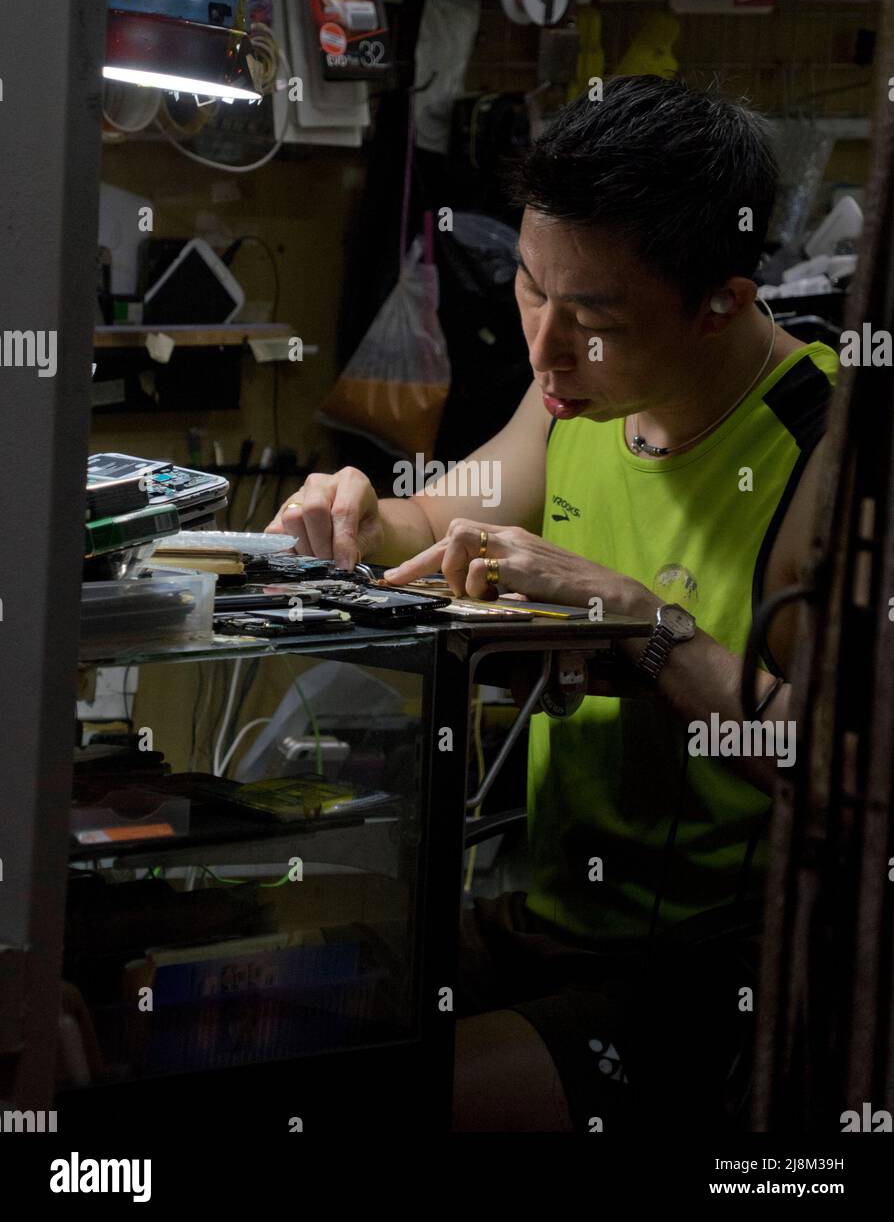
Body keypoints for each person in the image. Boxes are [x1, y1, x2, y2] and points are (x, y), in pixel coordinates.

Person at [267, 76, 838, 1131]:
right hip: (543, 914)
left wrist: (645, 621)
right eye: (533, 291)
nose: (544, 350)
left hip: (712, 974)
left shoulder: (826, 454)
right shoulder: (571, 390)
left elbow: (840, 764)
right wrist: (347, 509)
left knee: (385, 1105)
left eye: (593, 320)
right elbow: (440, 518)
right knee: (262, 1033)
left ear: (725, 304)